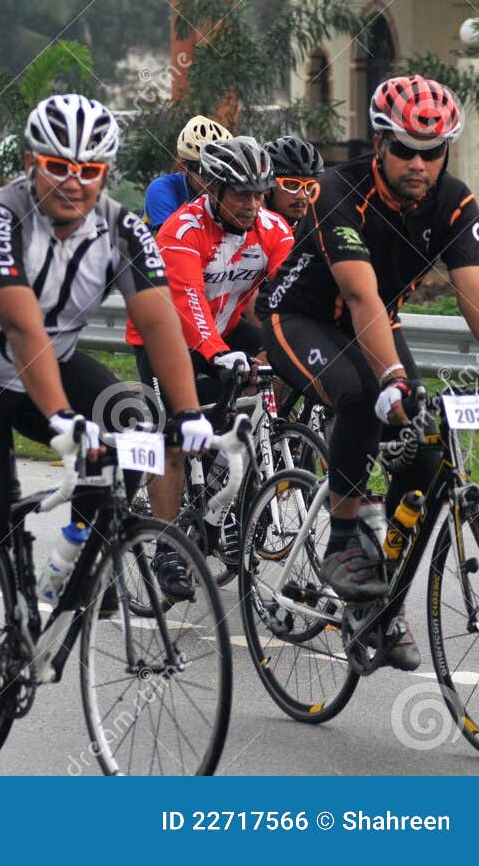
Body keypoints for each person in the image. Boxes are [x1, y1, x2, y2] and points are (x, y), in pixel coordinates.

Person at [0, 93, 215, 740]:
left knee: (136, 416)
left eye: (90, 170)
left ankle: (76, 550)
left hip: (51, 364)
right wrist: (62, 421)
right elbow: (22, 328)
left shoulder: (123, 228)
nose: (74, 182)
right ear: (30, 163)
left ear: (106, 173)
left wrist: (188, 412)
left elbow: (161, 318)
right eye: (57, 165)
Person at [261, 75, 479, 672]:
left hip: (378, 319)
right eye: (404, 148)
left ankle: (379, 609)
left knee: (425, 461)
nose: (418, 163)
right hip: (301, 317)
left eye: (431, 152)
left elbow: (475, 297)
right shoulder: (339, 188)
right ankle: (340, 545)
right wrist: (392, 381)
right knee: (360, 395)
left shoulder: (455, 202)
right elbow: (359, 297)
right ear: (379, 143)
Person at [126, 136, 292, 594]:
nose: (253, 204)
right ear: (213, 189)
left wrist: (284, 345)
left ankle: (230, 481)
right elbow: (189, 304)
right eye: (242, 193)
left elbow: (292, 289)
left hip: (226, 323)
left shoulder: (272, 228)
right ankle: (165, 551)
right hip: (166, 332)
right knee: (178, 435)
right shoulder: (182, 230)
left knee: (287, 370)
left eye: (260, 193)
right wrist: (219, 354)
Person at [143, 115, 232, 227]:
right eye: (206, 174)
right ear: (183, 168)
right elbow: (173, 239)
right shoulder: (161, 189)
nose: (215, 182)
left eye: (222, 173)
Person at [263, 134, 325, 227]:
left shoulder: (321, 228)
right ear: (268, 186)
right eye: (291, 184)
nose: (302, 196)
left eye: (310, 186)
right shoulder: (247, 231)